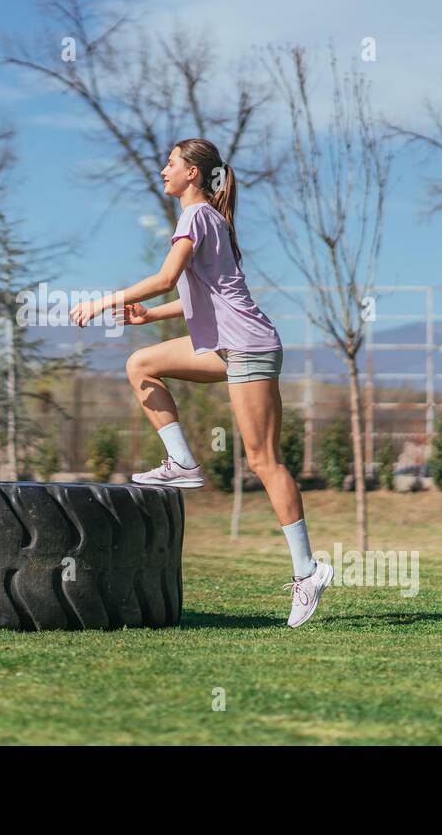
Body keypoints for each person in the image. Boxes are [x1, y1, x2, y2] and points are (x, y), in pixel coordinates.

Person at [68, 138, 331, 628]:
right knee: (141, 364)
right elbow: (204, 295)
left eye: (171, 164)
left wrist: (103, 302)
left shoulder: (197, 217)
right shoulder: (209, 218)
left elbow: (168, 277)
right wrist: (149, 317)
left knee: (263, 461)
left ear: (192, 173)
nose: (162, 170)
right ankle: (182, 463)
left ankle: (308, 571)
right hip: (225, 347)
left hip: (247, 348)